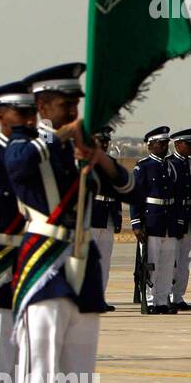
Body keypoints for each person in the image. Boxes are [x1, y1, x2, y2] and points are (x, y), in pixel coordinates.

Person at [6, 63, 134, 383]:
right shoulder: (27, 144)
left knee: (76, 381)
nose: (75, 111)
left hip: (84, 270)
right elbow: (19, 168)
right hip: (44, 266)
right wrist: (65, 137)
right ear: (42, 107)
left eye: (77, 104)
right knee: (39, 378)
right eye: (67, 104)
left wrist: (96, 155)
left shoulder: (77, 147)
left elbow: (126, 186)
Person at [0, 80, 34, 383]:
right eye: (18, 113)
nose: (27, 119)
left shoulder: (30, 155)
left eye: (31, 113)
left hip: (27, 271)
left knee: (21, 376)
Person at [130, 126, 180, 314]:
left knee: (167, 263)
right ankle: (150, 300)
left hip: (169, 221)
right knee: (151, 263)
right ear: (151, 145)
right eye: (161, 143)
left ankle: (162, 300)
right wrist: (136, 223)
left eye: (166, 143)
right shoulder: (143, 167)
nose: (165, 146)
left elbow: (176, 195)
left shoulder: (170, 166)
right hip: (152, 220)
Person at [87, 127, 122, 310]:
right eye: (102, 141)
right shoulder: (85, 163)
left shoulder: (111, 164)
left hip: (107, 218)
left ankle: (99, 297)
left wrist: (117, 219)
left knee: (104, 261)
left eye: (107, 141)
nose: (105, 145)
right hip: (91, 217)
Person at [166, 127, 191, 311]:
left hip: (189, 218)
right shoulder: (170, 163)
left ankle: (178, 296)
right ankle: (168, 295)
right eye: (188, 144)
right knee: (172, 260)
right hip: (175, 218)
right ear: (178, 144)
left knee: (184, 260)